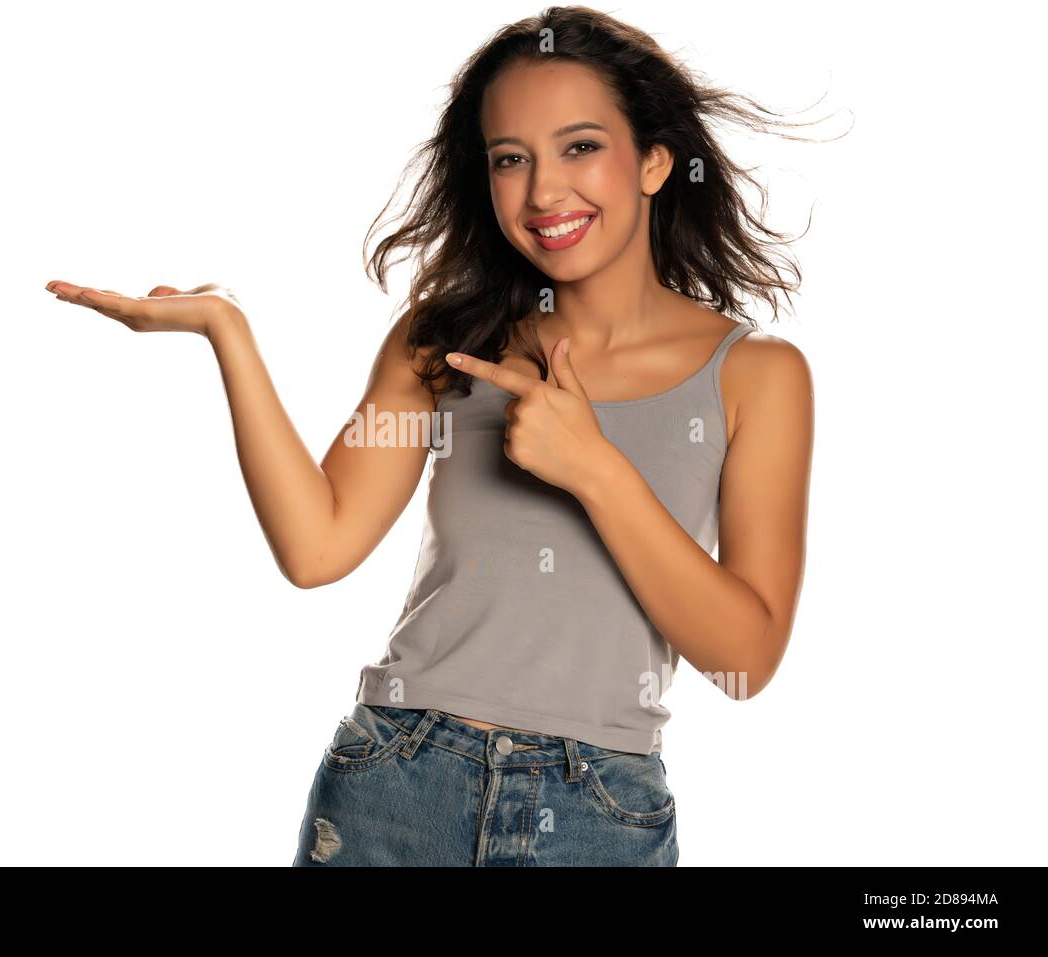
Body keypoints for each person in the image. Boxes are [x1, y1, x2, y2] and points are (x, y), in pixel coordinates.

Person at [43, 5, 816, 866]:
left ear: (655, 161)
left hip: (597, 807)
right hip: (394, 780)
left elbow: (746, 657)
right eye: (510, 160)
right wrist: (228, 332)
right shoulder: (446, 338)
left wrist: (596, 469)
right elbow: (316, 547)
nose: (545, 191)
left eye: (581, 147)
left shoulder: (756, 374)